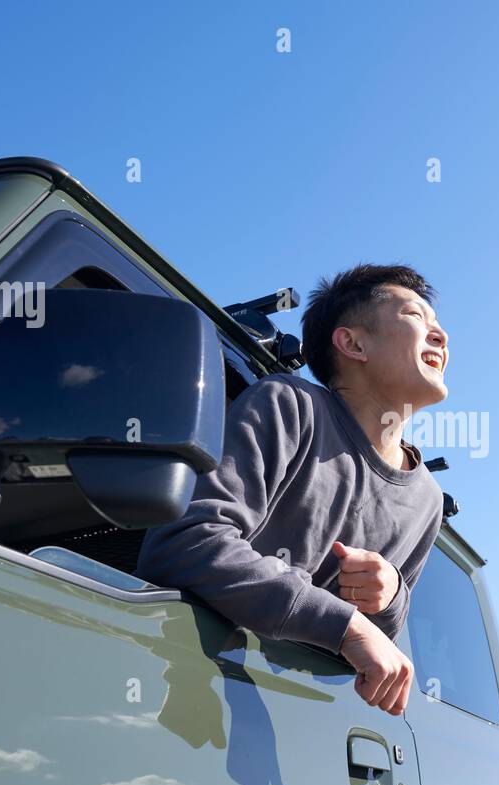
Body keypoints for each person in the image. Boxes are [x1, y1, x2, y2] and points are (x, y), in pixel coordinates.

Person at [136, 264, 449, 715]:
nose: (439, 334)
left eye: (439, 324)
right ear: (352, 343)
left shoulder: (429, 500)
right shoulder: (288, 405)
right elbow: (185, 542)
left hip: (304, 729)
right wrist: (347, 627)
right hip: (182, 681)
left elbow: (385, 639)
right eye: (416, 317)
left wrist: (390, 594)